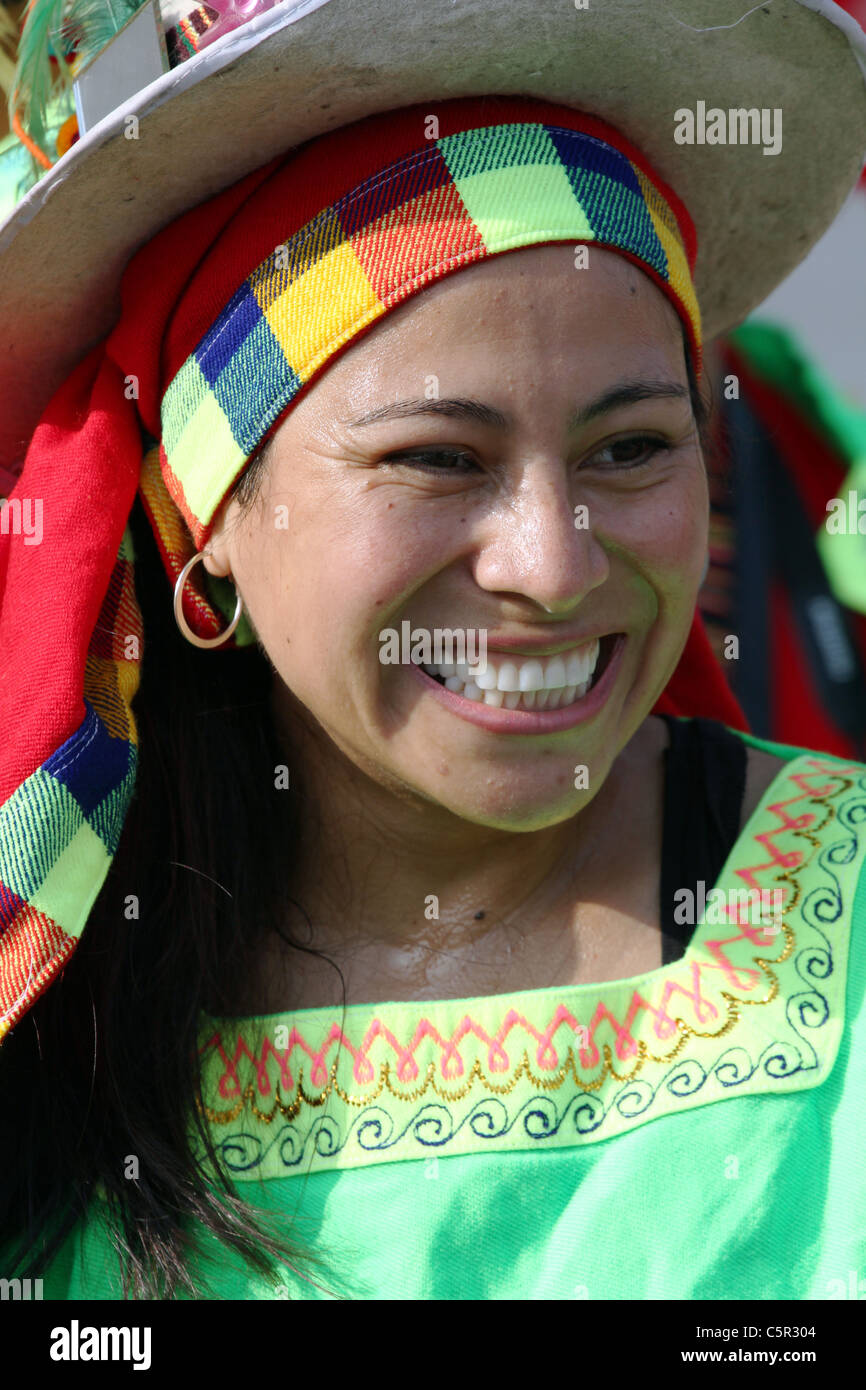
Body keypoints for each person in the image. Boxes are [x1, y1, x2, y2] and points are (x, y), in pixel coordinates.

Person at [1, 0, 865, 1302]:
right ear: (213, 508)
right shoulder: (55, 1024)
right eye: (435, 459)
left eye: (629, 447)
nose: (553, 563)